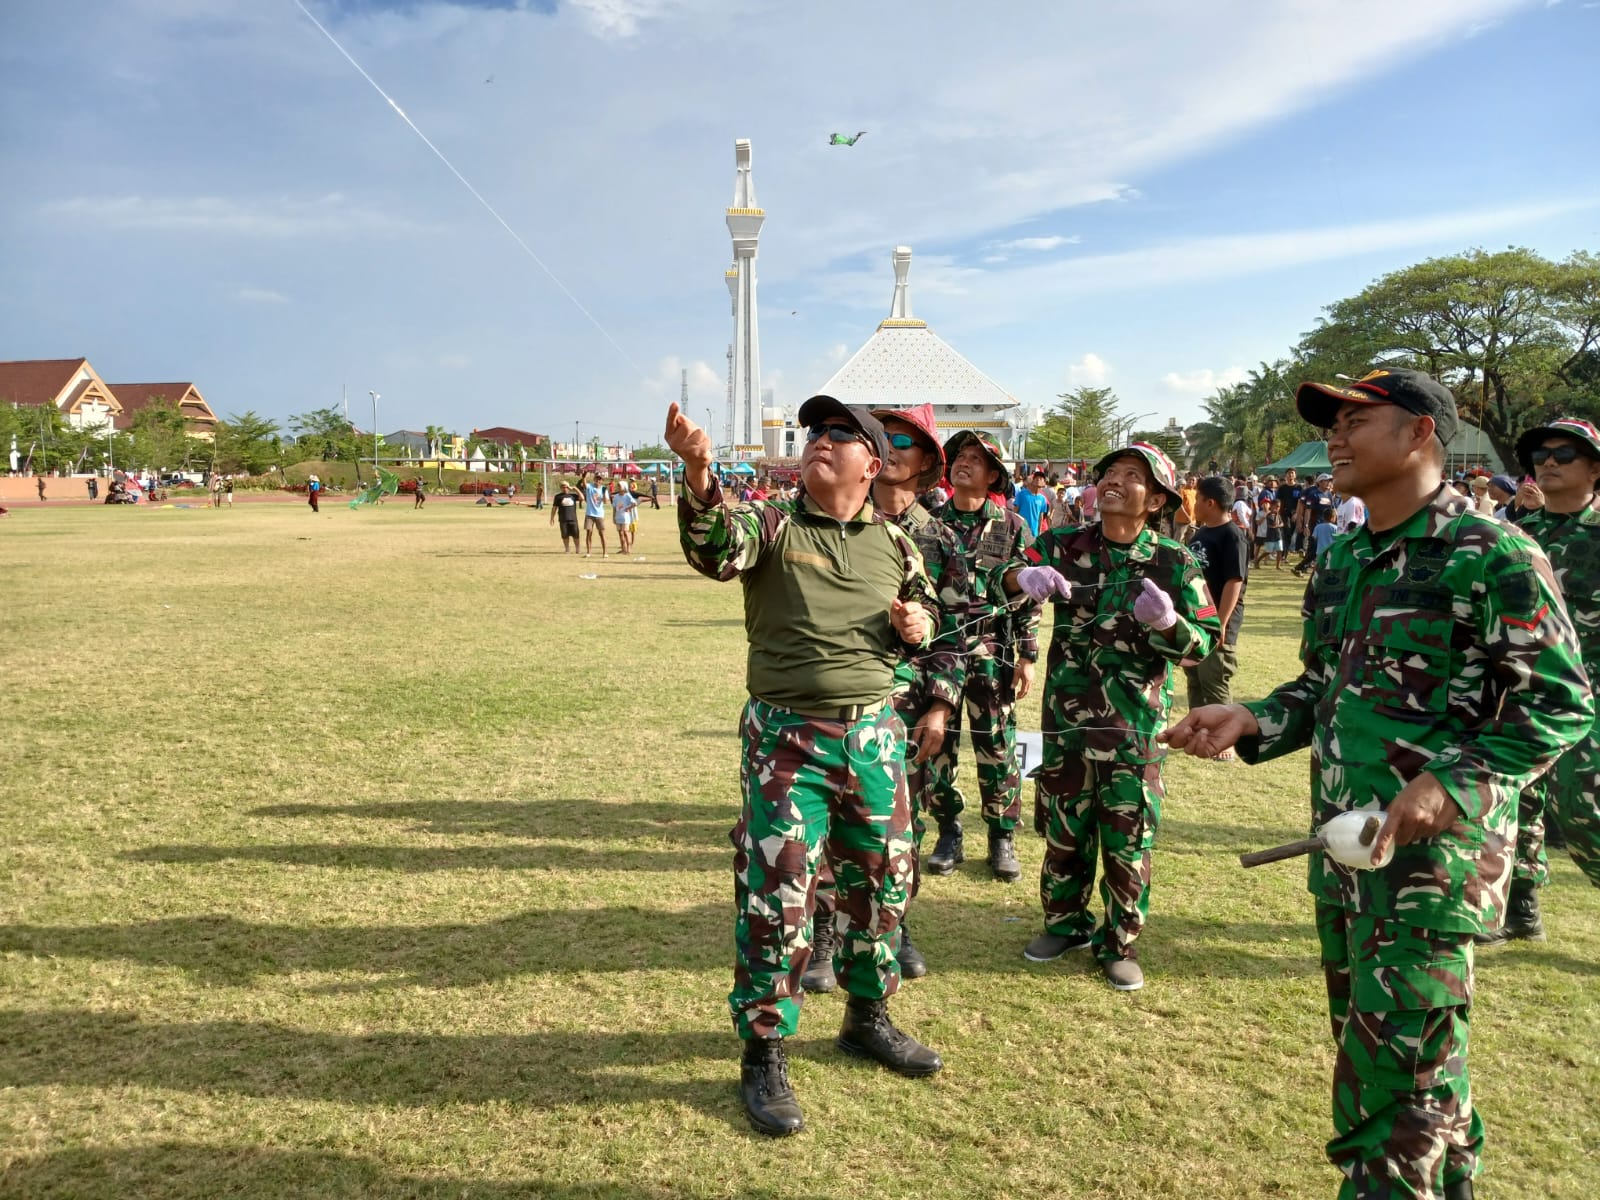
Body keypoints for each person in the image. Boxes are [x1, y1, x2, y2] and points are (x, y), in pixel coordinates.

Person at [1162, 367, 1591, 1200]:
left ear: (1421, 433)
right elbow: (1327, 683)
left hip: (1434, 872)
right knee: (1411, 1077)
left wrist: (1450, 782)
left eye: (1358, 419)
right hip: (1348, 854)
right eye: (1333, 421)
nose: (1336, 435)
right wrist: (1253, 718)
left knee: (1389, 1097)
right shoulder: (1352, 555)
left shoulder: (1492, 552)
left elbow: (1559, 702)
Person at [668, 394, 945, 1137]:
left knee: (884, 886)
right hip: (789, 742)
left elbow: (924, 617)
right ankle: (764, 1050)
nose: (818, 441)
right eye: (812, 432)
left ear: (873, 463)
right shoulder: (772, 522)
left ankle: (867, 1017)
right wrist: (699, 473)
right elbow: (713, 548)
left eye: (837, 434)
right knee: (779, 894)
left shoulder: (898, 543)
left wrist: (918, 624)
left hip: (877, 740)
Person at [998, 442, 1218, 991]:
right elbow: (999, 577)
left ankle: (1120, 942)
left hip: (1132, 727)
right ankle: (1064, 923)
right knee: (1066, 829)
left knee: (1127, 835)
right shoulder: (1062, 544)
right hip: (1067, 721)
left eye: (1131, 476)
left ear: (1157, 499)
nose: (1114, 482)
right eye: (1109, 473)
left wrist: (1168, 625)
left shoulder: (1175, 560)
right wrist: (1021, 581)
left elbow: (1202, 645)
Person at [803, 402, 969, 991]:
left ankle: (894, 930)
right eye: (885, 437)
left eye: (906, 438)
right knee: (824, 831)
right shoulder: (836, 515)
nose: (892, 447)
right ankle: (824, 933)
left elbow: (955, 630)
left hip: (913, 707)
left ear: (928, 461)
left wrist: (943, 704)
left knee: (900, 830)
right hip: (840, 709)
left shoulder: (941, 538)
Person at [1480, 417, 1600, 945]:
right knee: (1515, 801)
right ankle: (1520, 909)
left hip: (1586, 702)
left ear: (1595, 469)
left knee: (1582, 810)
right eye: (1541, 454)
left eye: (1565, 455)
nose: (1548, 462)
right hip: (1520, 693)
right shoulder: (1519, 538)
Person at [923, 430, 1041, 882]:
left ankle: (1001, 835)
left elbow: (1030, 596)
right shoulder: (929, 524)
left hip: (994, 653)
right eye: (960, 457)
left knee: (997, 745)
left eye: (976, 458)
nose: (963, 463)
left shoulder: (1012, 526)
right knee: (937, 746)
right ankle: (948, 829)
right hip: (937, 654)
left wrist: (1028, 656)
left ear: (993, 474)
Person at [1185, 476, 1249, 743]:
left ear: (1210, 503)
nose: (1193, 504)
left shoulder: (1232, 536)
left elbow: (1234, 581)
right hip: (1196, 618)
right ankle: (1198, 733)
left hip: (1216, 620)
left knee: (1214, 678)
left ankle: (1223, 740)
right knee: (1195, 675)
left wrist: (1220, 622)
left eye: (1197, 499)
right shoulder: (1201, 532)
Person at [1013, 471, 1050, 537]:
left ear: (1044, 483)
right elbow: (1015, 512)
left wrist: (1039, 532)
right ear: (1032, 481)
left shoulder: (1043, 499)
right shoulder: (1022, 494)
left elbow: (1040, 517)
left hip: (1034, 532)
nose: (1038, 479)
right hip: (1021, 530)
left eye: (1041, 478)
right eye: (1036, 478)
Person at [582, 472, 609, 558]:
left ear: (602, 480)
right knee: (589, 532)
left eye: (599, 479)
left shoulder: (604, 489)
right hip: (589, 513)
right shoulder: (590, 487)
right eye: (596, 479)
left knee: (602, 533)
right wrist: (583, 477)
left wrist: (604, 493)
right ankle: (588, 552)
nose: (598, 480)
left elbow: (605, 502)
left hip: (599, 514)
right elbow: (585, 484)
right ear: (594, 479)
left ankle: (605, 553)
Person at [550, 481, 581, 552]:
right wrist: (552, 518)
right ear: (561, 488)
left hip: (573, 519)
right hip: (563, 519)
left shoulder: (573, 496)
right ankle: (567, 549)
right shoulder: (558, 496)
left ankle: (577, 549)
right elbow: (554, 508)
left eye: (566, 487)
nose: (565, 488)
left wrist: (575, 489)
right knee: (565, 535)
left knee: (576, 535)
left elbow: (582, 497)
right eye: (563, 487)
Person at [611, 483, 638, 554]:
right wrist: (613, 517)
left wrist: (628, 508)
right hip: (618, 517)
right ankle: (623, 548)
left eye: (620, 486)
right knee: (620, 533)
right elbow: (614, 507)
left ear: (624, 487)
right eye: (618, 486)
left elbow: (635, 503)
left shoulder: (627, 495)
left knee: (625, 533)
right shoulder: (616, 496)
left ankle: (628, 549)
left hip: (625, 518)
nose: (618, 487)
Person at [1174, 473, 1199, 543]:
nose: (1191, 481)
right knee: (1177, 541)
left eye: (1193, 480)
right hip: (1182, 520)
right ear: (1187, 481)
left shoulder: (1195, 492)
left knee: (1190, 541)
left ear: (1196, 483)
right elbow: (1179, 504)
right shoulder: (1182, 490)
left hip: (1192, 521)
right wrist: (1187, 516)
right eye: (1190, 480)